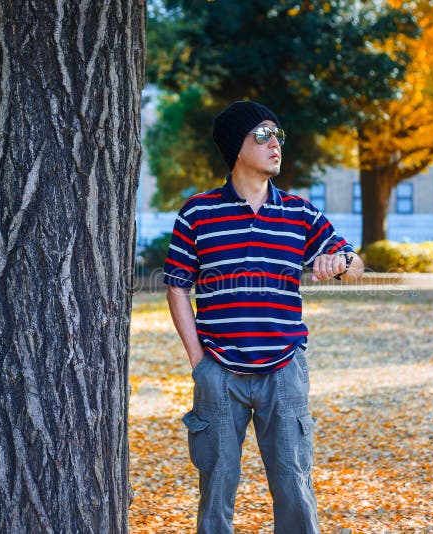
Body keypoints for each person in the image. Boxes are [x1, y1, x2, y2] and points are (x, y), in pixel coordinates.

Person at [164, 100, 364, 534]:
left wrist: (342, 261)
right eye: (262, 134)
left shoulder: (300, 213)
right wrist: (199, 363)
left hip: (284, 370)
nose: (275, 144)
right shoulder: (198, 213)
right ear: (236, 146)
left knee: (294, 485)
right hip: (219, 370)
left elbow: (356, 265)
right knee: (216, 489)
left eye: (278, 135)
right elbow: (177, 287)